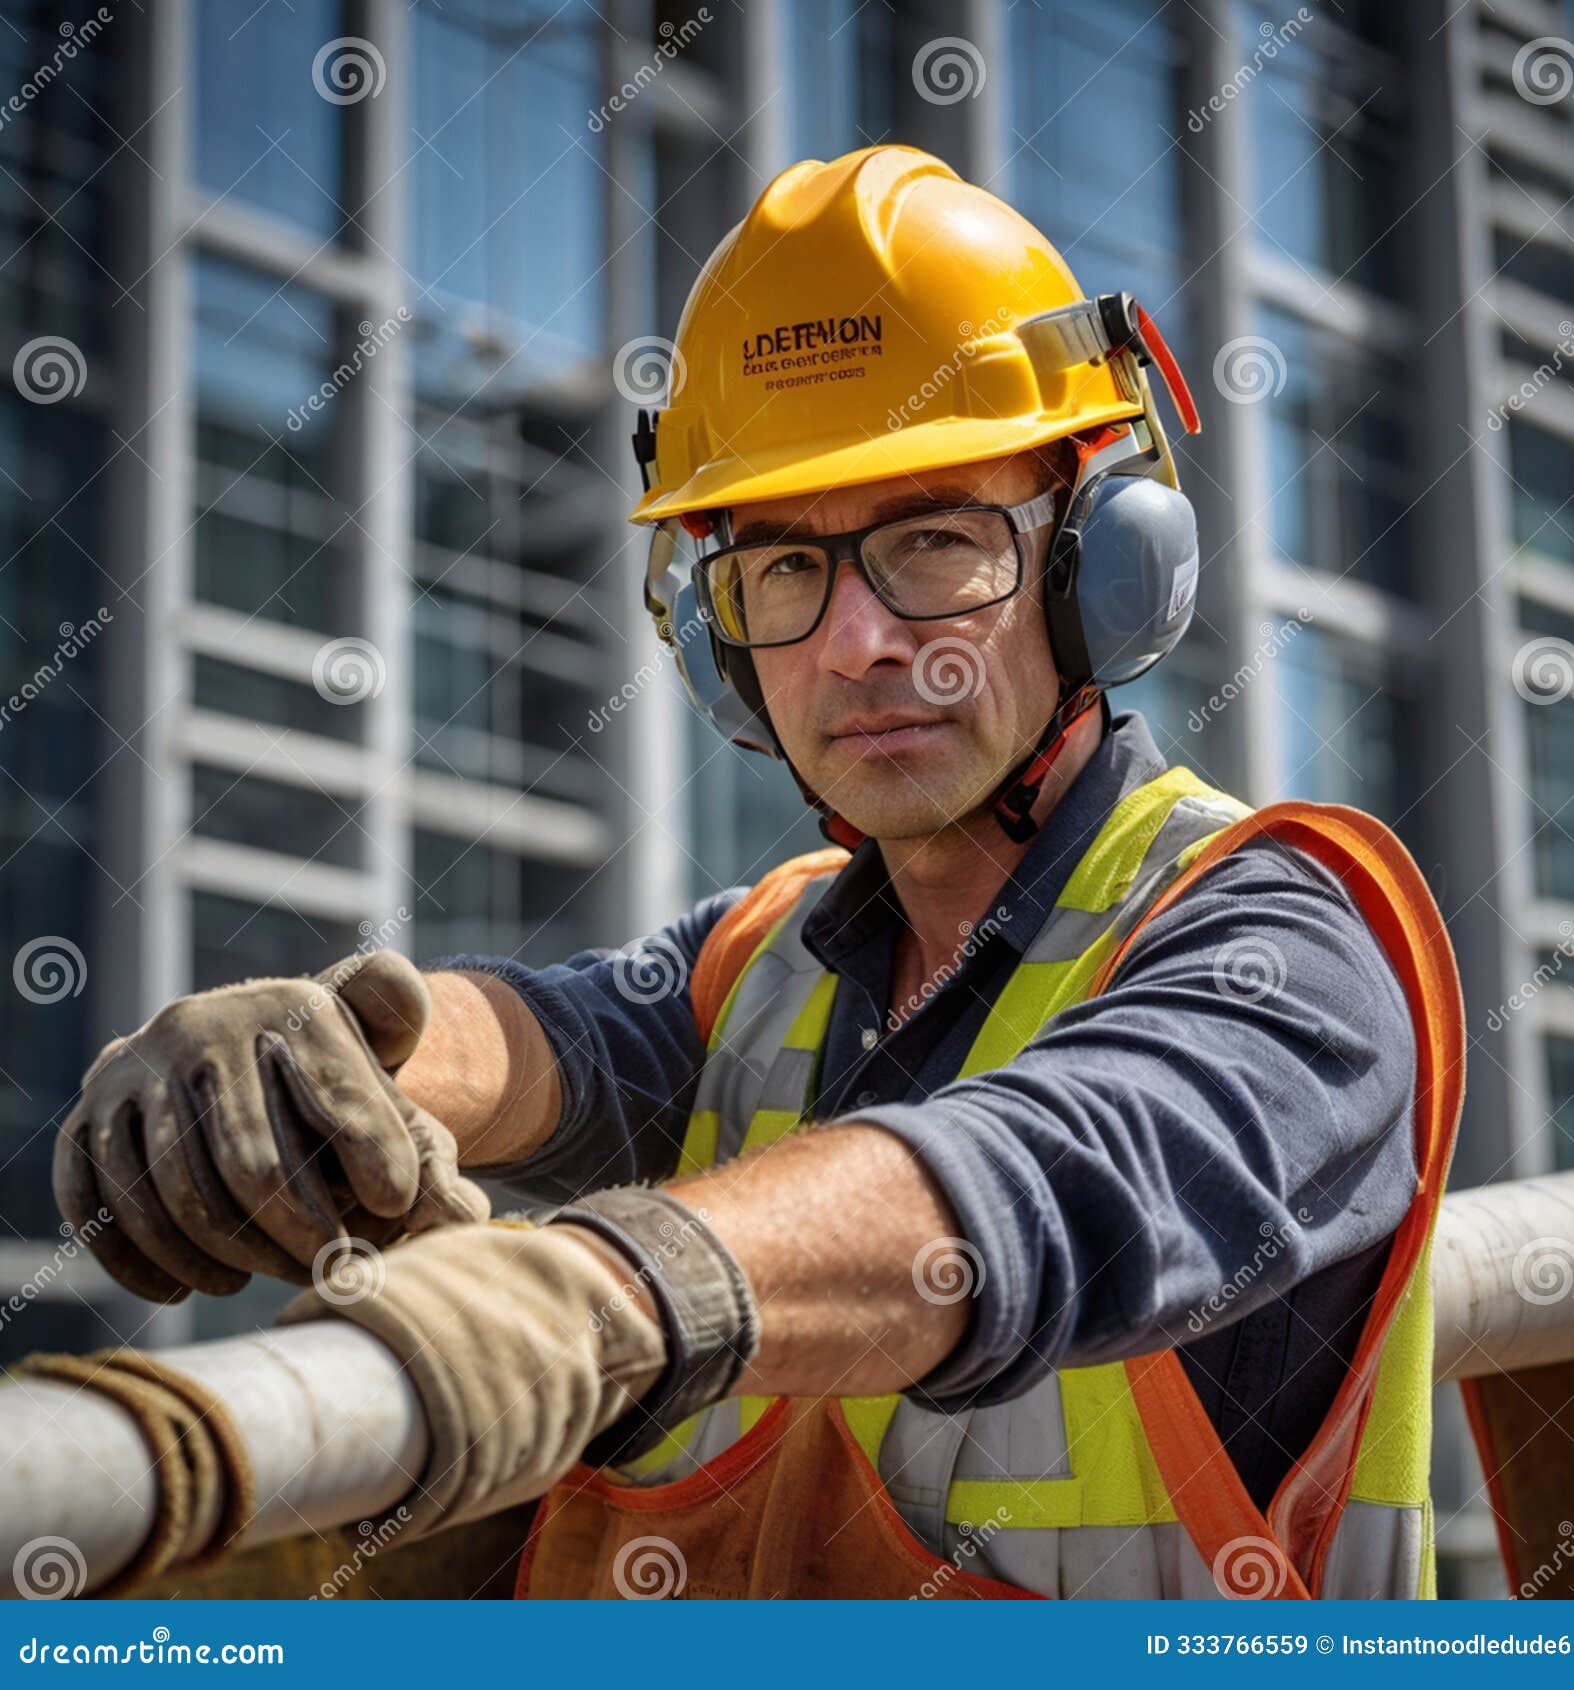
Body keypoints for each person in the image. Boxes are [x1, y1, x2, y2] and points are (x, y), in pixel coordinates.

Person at [56, 145, 1464, 1600]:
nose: (856, 644)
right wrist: (331, 1063)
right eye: (785, 570)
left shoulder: (1287, 932)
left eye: (933, 541)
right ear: (720, 639)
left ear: (1101, 564)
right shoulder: (766, 966)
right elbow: (563, 1040)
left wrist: (607, 1293)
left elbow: (1062, 1170)